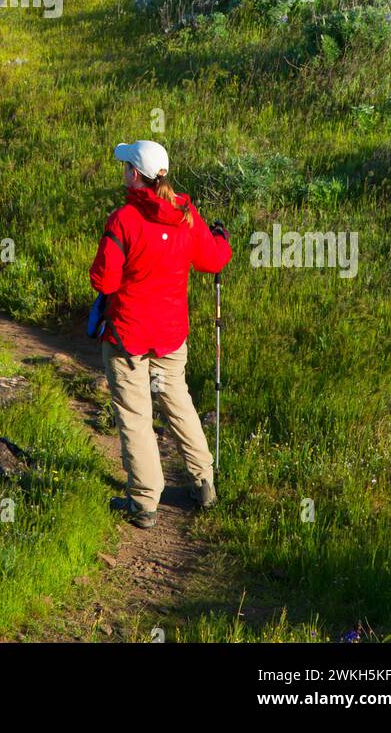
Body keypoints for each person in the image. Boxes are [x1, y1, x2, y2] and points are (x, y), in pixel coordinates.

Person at [88, 139, 231, 529]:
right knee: (178, 402)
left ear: (136, 174)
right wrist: (220, 237)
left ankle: (145, 501)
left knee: (136, 416)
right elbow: (214, 259)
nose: (123, 174)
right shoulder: (185, 215)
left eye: (125, 168)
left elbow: (104, 278)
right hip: (171, 335)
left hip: (128, 336)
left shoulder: (123, 220)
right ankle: (204, 483)